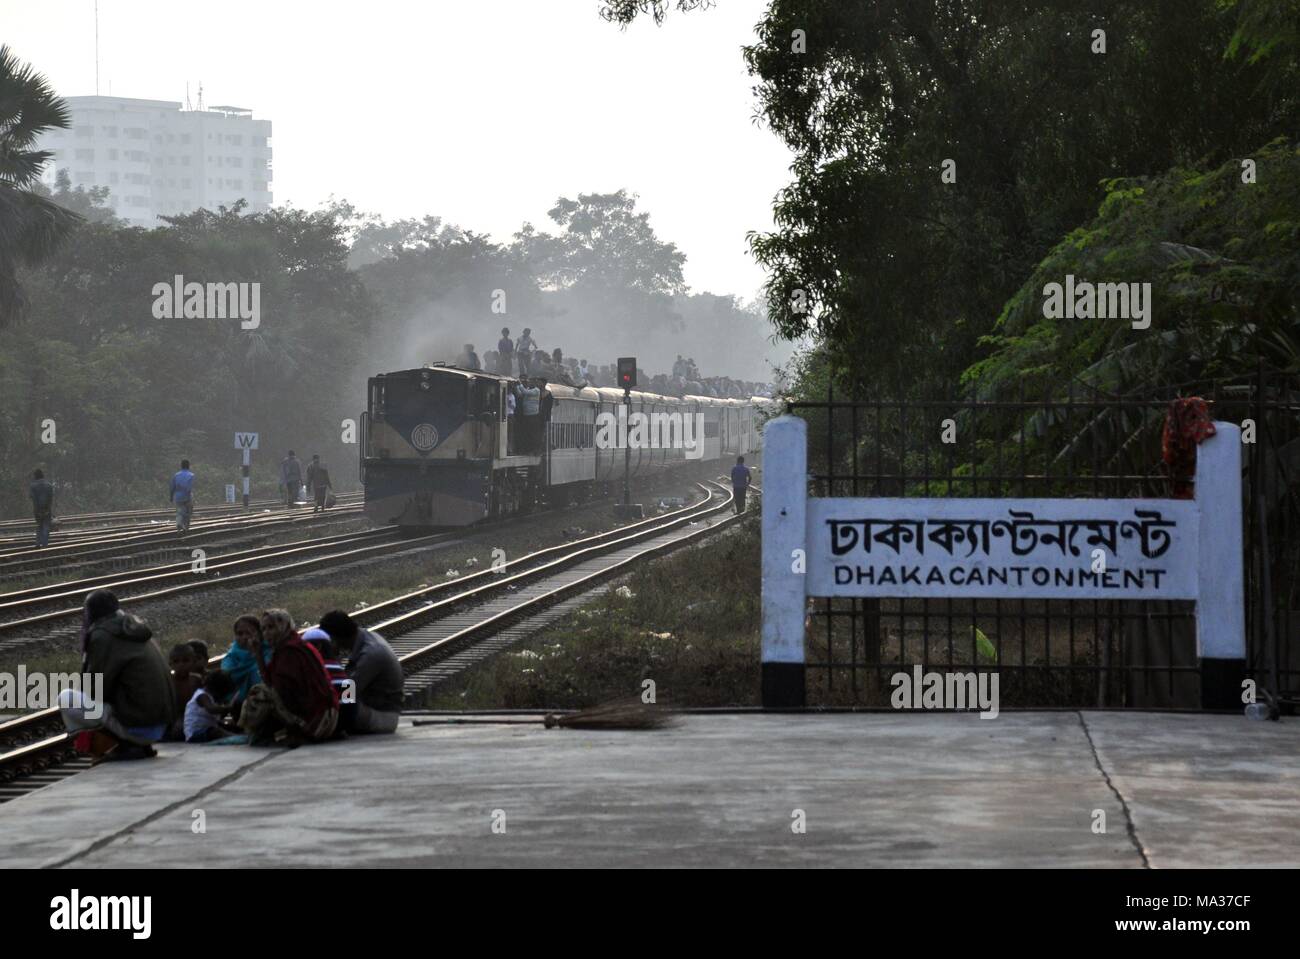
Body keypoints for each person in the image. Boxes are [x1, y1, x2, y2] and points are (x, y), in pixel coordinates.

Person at [57, 590, 175, 760]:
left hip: (139, 726)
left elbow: (94, 690)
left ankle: (129, 744)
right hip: (161, 725)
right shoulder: (133, 625)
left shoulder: (102, 635)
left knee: (67, 698)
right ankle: (139, 746)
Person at [241, 609, 338, 746]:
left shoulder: (290, 652)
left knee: (260, 694)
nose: (267, 633)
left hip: (319, 721)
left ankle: (295, 733)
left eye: (271, 627)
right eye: (263, 629)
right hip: (328, 717)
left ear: (284, 626)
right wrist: (258, 654)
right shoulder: (288, 648)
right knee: (266, 693)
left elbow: (283, 691)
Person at [319, 610, 403, 734]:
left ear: (335, 638)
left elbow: (346, 694)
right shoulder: (367, 638)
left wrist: (331, 658)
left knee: (330, 708)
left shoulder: (371, 654)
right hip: (374, 708)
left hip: (383, 717)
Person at [222, 614, 266, 717]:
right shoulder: (231, 657)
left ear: (259, 634)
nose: (244, 637)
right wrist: (250, 656)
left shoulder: (267, 651)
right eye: (240, 633)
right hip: (239, 706)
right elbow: (227, 678)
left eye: (249, 633)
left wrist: (257, 654)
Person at [184, 670, 241, 743]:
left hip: (205, 731)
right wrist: (227, 708)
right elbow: (211, 709)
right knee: (215, 731)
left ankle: (233, 734)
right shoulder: (202, 695)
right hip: (195, 735)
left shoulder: (210, 697)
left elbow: (214, 719)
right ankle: (235, 737)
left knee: (224, 727)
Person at [166, 643, 204, 740]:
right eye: (176, 661)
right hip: (176, 717)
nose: (181, 665)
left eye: (186, 661)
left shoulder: (196, 680)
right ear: (170, 664)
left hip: (194, 716)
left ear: (194, 661)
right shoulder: (169, 681)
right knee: (177, 730)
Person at [29, 468, 54, 548]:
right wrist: (48, 508)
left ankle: (37, 543)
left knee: (39, 525)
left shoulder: (33, 486)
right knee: (46, 526)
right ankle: (44, 544)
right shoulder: (49, 485)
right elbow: (51, 498)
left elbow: (32, 498)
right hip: (47, 509)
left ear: (35, 476)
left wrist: (37, 509)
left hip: (37, 509)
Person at [169, 459, 195, 533]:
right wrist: (189, 497)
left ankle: (179, 524)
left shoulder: (176, 475)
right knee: (188, 513)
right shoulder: (191, 475)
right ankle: (185, 527)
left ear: (181, 466)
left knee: (179, 512)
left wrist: (171, 496)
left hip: (177, 496)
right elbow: (189, 488)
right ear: (188, 466)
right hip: (187, 496)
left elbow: (172, 487)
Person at [517, 378, 542, 453]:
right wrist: (517, 386)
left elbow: (525, 392)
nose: (528, 383)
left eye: (530, 382)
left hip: (533, 415)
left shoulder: (536, 390)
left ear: (534, 383)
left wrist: (520, 384)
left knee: (532, 433)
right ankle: (527, 449)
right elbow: (520, 394)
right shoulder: (527, 389)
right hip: (526, 414)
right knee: (526, 433)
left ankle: (534, 449)